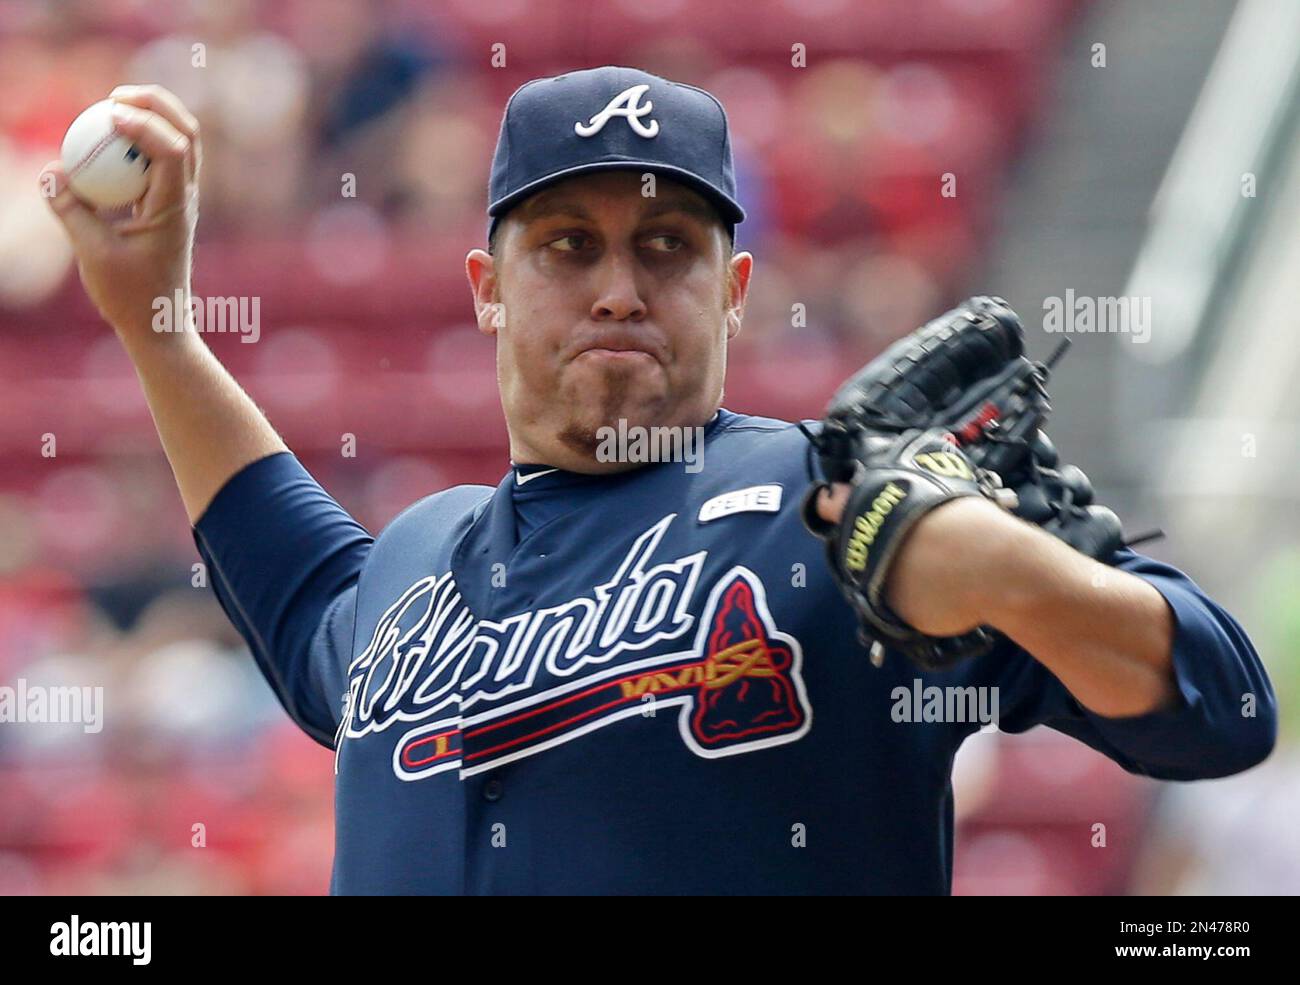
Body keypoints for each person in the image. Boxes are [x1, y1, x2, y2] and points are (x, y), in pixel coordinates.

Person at [43, 66, 1276, 894]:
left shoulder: (848, 510)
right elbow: (304, 590)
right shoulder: (416, 560)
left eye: (668, 247)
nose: (619, 287)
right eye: (569, 246)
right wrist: (158, 325)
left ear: (735, 291)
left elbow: (1222, 706)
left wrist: (1013, 573)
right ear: (485, 288)